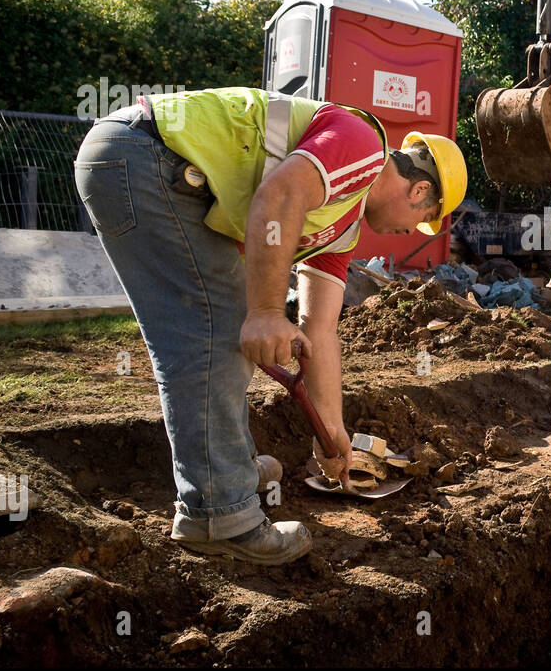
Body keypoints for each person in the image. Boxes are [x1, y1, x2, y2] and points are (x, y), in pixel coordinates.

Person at [74, 87, 466, 565]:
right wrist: (262, 314)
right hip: (146, 155)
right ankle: (220, 514)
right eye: (425, 219)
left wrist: (332, 431)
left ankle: (226, 470)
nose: (413, 232)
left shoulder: (340, 226)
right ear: (420, 190)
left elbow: (319, 329)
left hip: (155, 171)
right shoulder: (362, 144)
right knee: (213, 336)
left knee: (221, 330)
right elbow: (278, 195)